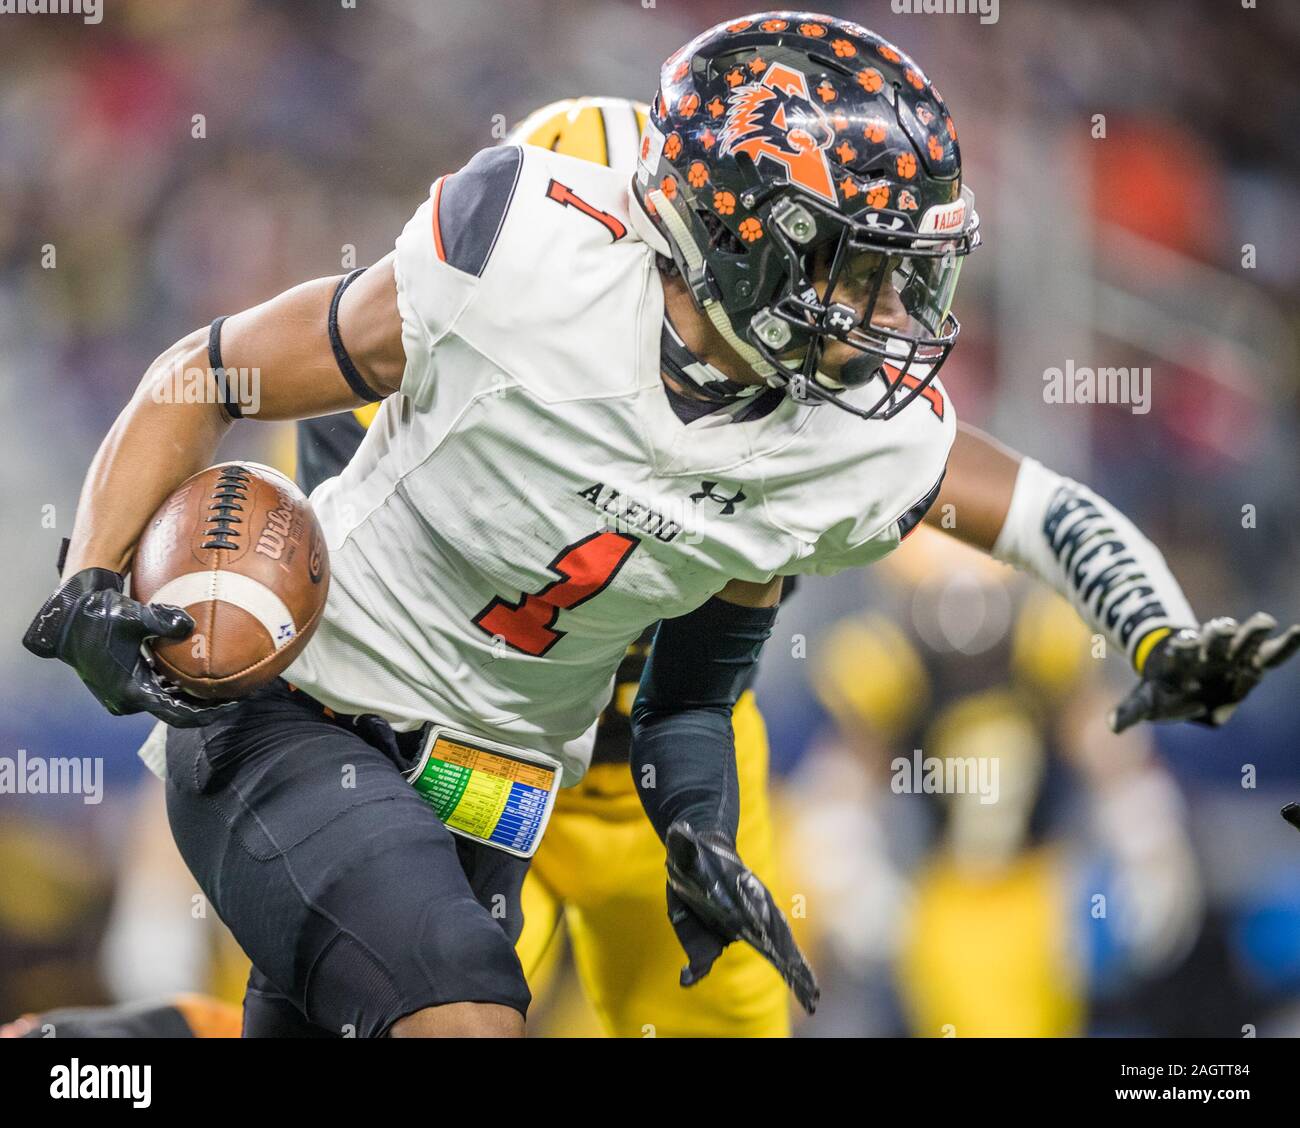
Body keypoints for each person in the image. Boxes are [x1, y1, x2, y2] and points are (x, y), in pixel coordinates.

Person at [23, 14, 1297, 1036]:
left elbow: (722, 675)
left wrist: (1152, 629)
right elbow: (209, 373)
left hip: (512, 772)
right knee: (462, 1003)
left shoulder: (835, 440)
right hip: (322, 705)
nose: (890, 311)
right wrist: (90, 579)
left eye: (902, 271)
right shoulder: (517, 262)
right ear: (741, 237)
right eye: (857, 267)